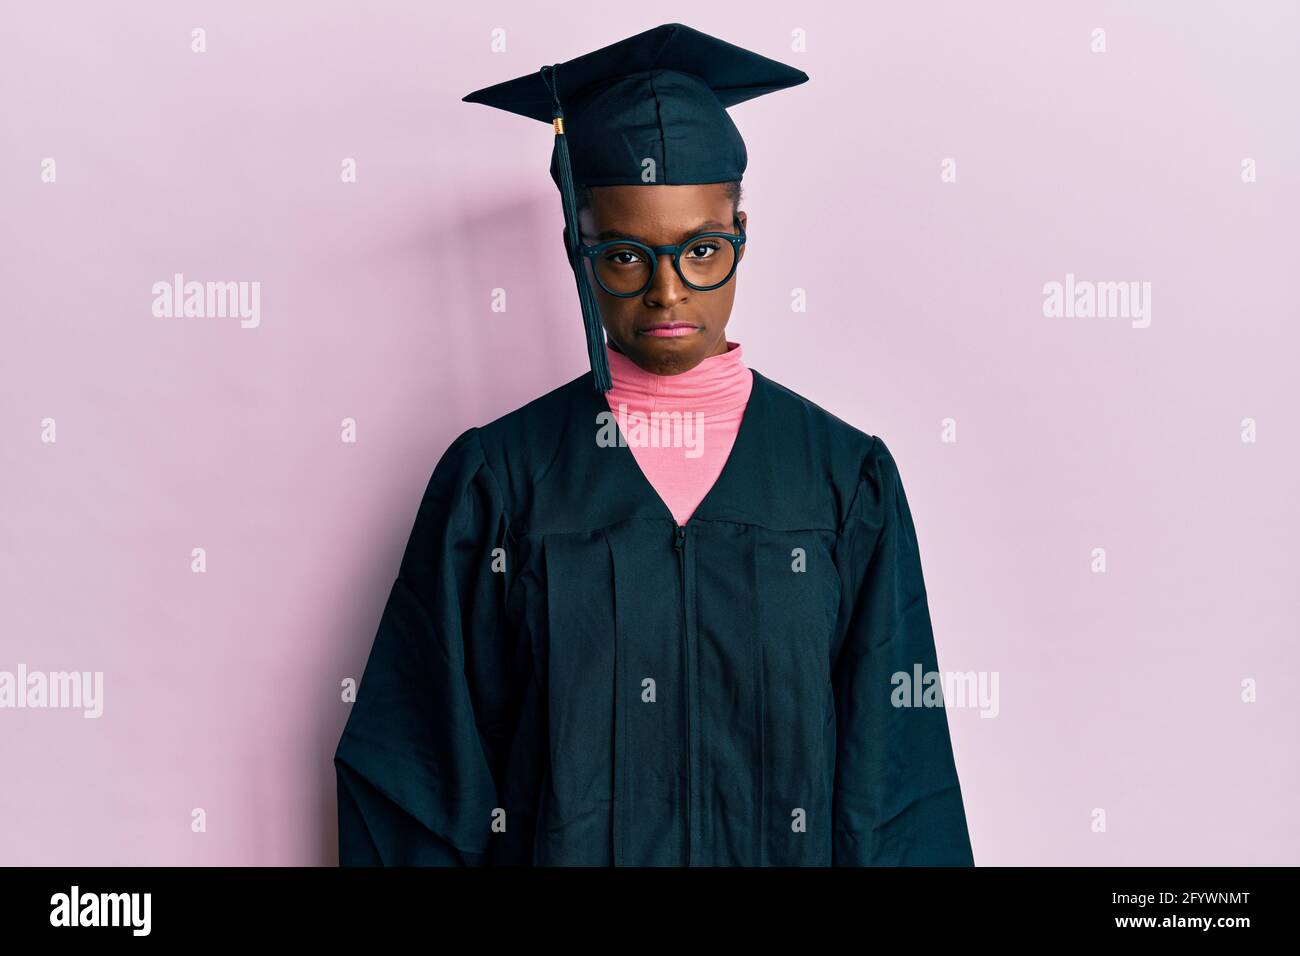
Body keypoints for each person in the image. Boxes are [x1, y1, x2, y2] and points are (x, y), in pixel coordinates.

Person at [333, 22, 975, 866]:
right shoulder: (499, 484)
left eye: (703, 249)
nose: (668, 290)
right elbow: (416, 775)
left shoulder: (844, 482)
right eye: (627, 256)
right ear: (581, 247)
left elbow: (895, 788)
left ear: (742, 233)